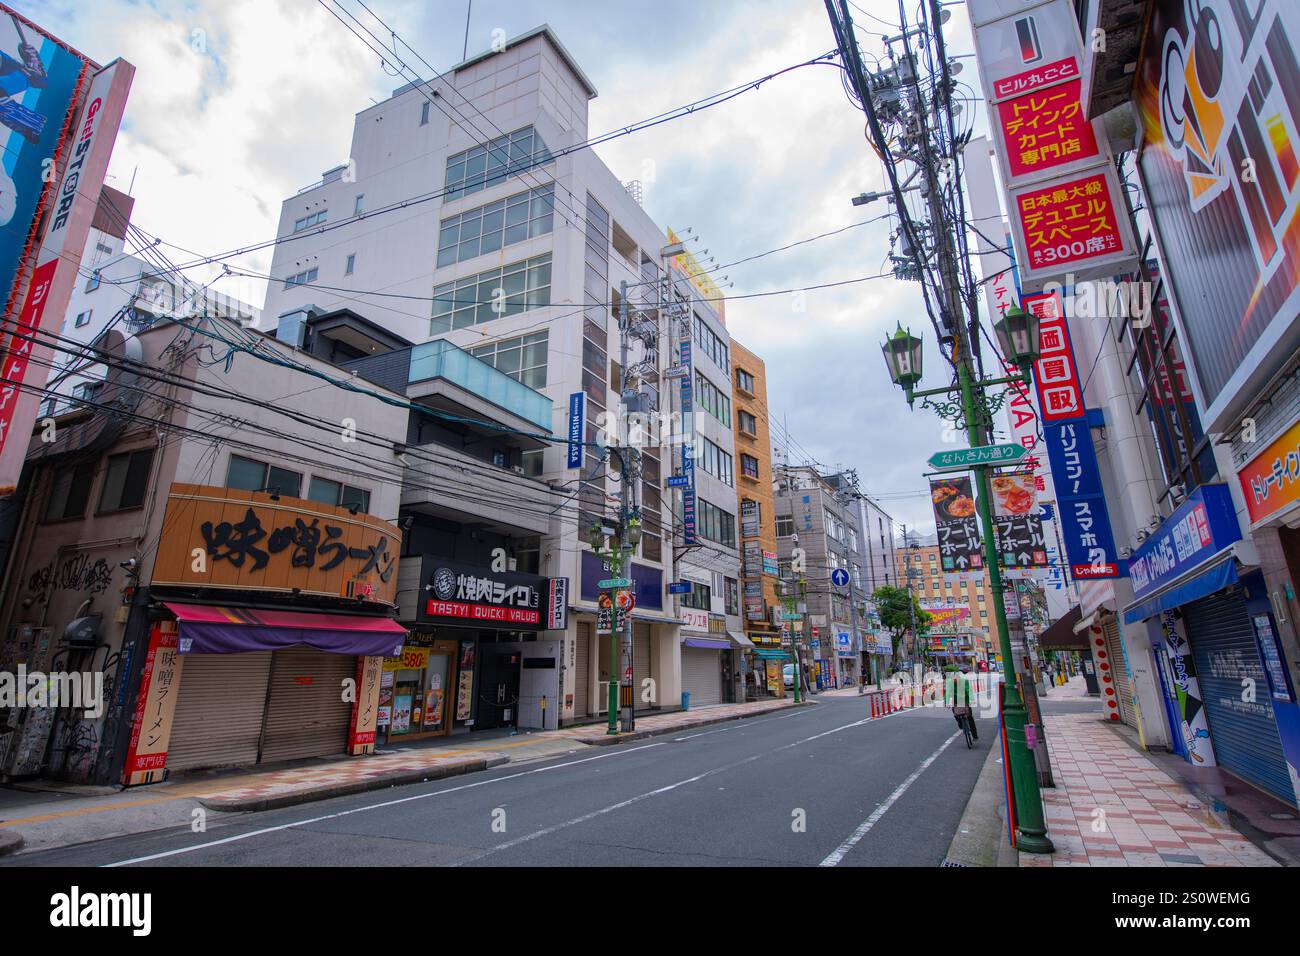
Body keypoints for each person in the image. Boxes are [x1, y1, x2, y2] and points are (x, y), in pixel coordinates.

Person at [952, 674, 977, 741]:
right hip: (956, 701)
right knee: (955, 713)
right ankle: (960, 723)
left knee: (970, 717)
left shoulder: (964, 682)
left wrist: (971, 699)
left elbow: (968, 690)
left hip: (965, 701)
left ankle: (975, 736)